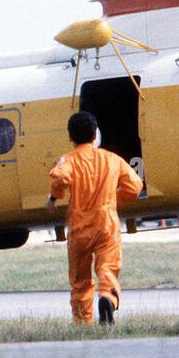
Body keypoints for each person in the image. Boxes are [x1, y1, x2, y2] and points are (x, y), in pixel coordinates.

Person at [46, 111, 143, 325]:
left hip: (79, 227)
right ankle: (107, 297)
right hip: (106, 224)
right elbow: (135, 186)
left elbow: (61, 176)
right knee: (107, 269)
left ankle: (83, 322)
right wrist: (113, 200)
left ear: (71, 137)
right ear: (95, 135)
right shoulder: (112, 158)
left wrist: (54, 198)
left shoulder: (68, 160)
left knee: (80, 280)